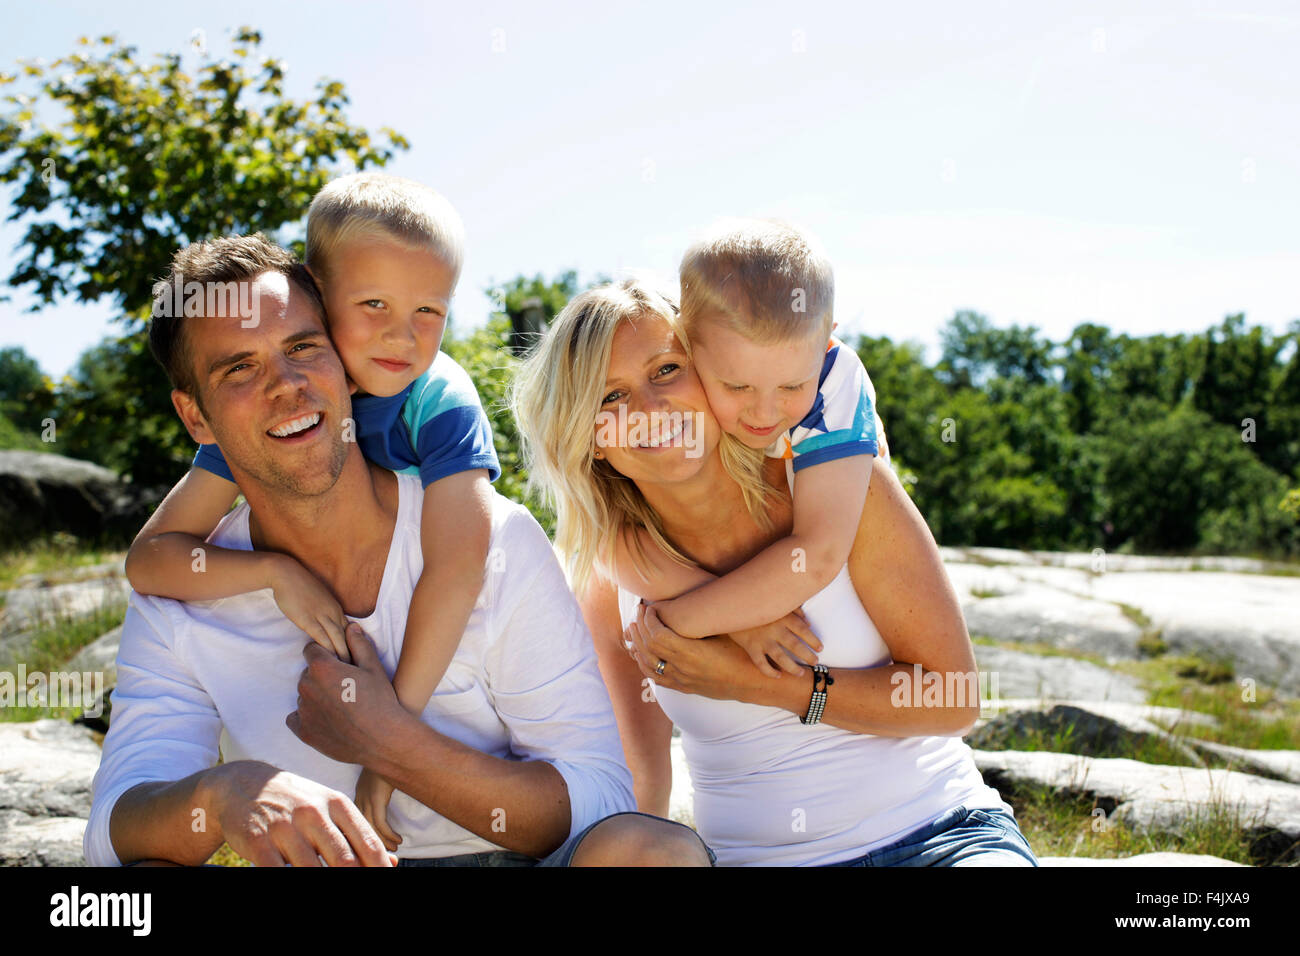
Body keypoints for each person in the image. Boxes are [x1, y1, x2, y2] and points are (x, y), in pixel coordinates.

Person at [85, 236, 712, 867]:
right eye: (239, 368)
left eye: (303, 346)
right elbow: (114, 832)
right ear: (196, 417)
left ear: (345, 363)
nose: (287, 384)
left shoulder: (490, 536)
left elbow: (602, 801)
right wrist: (226, 792)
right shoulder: (182, 594)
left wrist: (393, 746)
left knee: (652, 853)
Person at [511, 277, 1038, 866]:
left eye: (665, 371)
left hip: (938, 834)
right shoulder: (609, 576)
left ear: (713, 373)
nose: (649, 411)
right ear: (590, 441)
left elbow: (954, 700)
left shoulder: (836, 494)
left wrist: (761, 684)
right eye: (610, 397)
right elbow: (642, 775)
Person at [124, 173, 497, 849]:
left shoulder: (438, 399)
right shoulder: (282, 408)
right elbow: (149, 561)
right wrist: (272, 573)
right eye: (374, 304)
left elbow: (461, 565)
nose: (403, 339)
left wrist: (392, 741)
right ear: (321, 298)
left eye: (430, 312)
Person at [606, 220, 891, 681]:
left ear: (825, 342)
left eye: (793, 385)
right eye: (736, 385)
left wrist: (678, 623)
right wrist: (746, 627)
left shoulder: (835, 378)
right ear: (688, 345)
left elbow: (817, 553)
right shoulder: (683, 389)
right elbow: (608, 542)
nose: (764, 411)